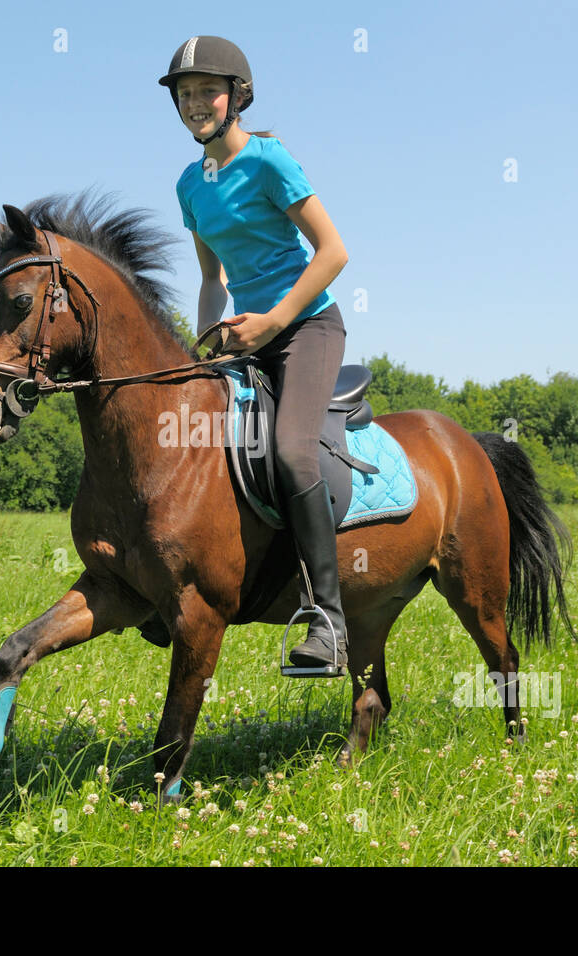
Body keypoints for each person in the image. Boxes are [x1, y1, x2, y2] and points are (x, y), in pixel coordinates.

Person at [158, 36, 351, 673]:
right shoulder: (190, 185)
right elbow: (213, 281)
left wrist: (272, 322)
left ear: (237, 95)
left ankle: (327, 617)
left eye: (204, 91)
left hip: (305, 329)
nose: (193, 104)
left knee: (293, 453)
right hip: (240, 336)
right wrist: (203, 351)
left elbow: (333, 252)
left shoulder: (270, 162)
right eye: (183, 95)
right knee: (188, 442)